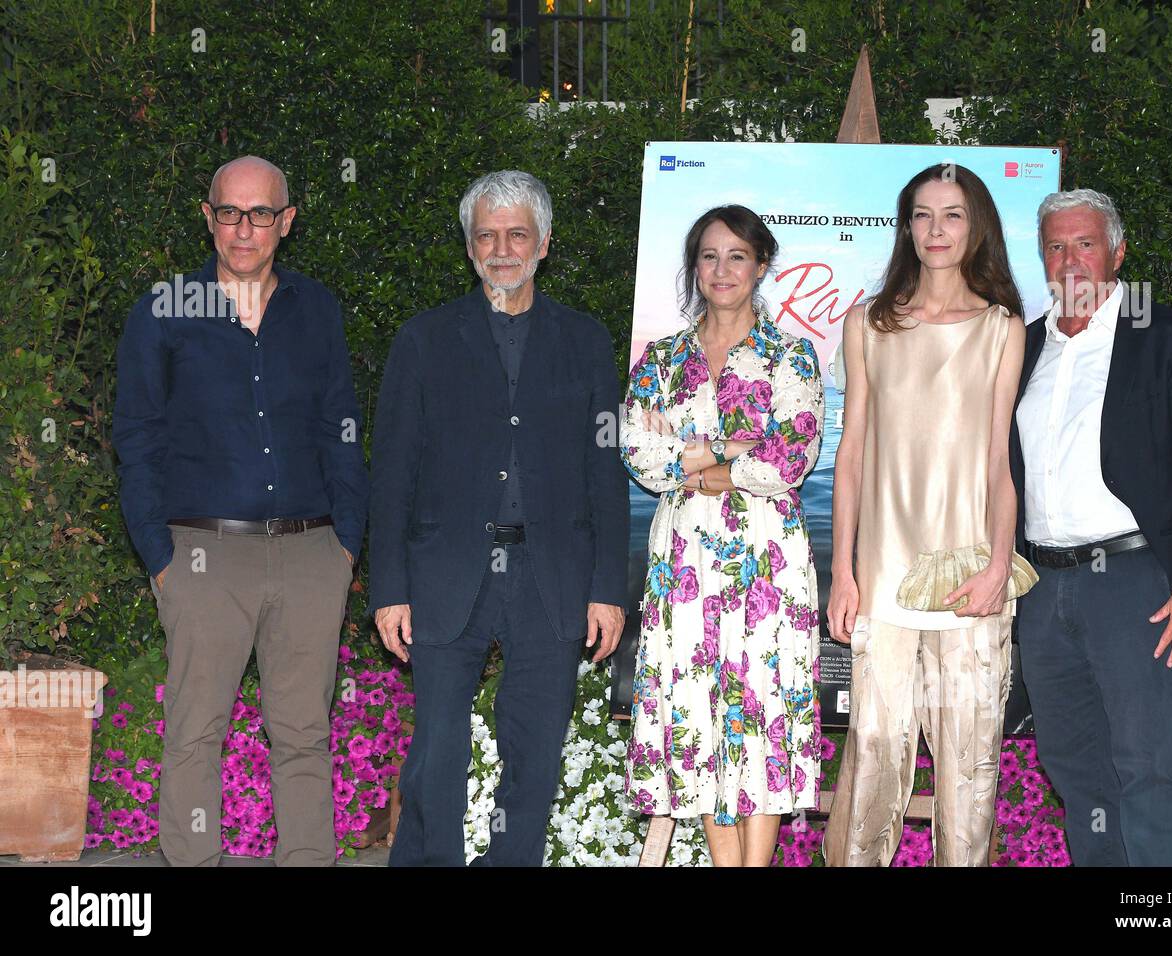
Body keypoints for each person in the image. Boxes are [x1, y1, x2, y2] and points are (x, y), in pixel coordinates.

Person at [113, 155, 368, 866]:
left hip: (312, 551)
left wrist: (347, 541)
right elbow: (137, 436)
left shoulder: (315, 309)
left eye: (261, 213)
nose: (244, 228)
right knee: (195, 732)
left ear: (286, 222)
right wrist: (160, 559)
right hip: (201, 556)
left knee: (304, 734)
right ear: (208, 217)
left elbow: (339, 425)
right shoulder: (165, 309)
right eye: (229, 212)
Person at [369, 170, 629, 866]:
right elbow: (391, 473)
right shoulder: (423, 340)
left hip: (552, 579)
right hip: (446, 572)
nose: (502, 247)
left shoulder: (585, 339)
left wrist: (608, 585)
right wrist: (388, 587)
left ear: (544, 243)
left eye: (517, 234)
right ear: (469, 246)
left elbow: (605, 469)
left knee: (536, 752)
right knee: (439, 749)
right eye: (487, 234)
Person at [1010, 189, 1172, 866]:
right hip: (1043, 592)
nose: (1070, 260)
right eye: (1056, 246)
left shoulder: (1168, 337)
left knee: (1149, 770)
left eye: (1085, 243)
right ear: (1043, 257)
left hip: (1139, 587)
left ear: (1117, 251)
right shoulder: (1022, 347)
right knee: (1078, 774)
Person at [822, 164, 1027, 867]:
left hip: (970, 578)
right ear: (906, 226)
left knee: (970, 768)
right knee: (873, 751)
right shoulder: (868, 323)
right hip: (882, 578)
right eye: (921, 214)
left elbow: (1003, 465)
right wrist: (843, 572)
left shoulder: (1003, 329)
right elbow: (849, 455)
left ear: (977, 229)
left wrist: (1000, 566)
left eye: (953, 215)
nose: (935, 230)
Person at [621, 204, 824, 867]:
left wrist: (710, 462)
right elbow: (641, 455)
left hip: (767, 565)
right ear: (694, 268)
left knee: (762, 709)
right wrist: (728, 450)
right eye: (709, 256)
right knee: (698, 713)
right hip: (684, 561)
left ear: (761, 265)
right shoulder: (661, 360)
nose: (722, 269)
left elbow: (792, 457)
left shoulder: (791, 356)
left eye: (738, 255)